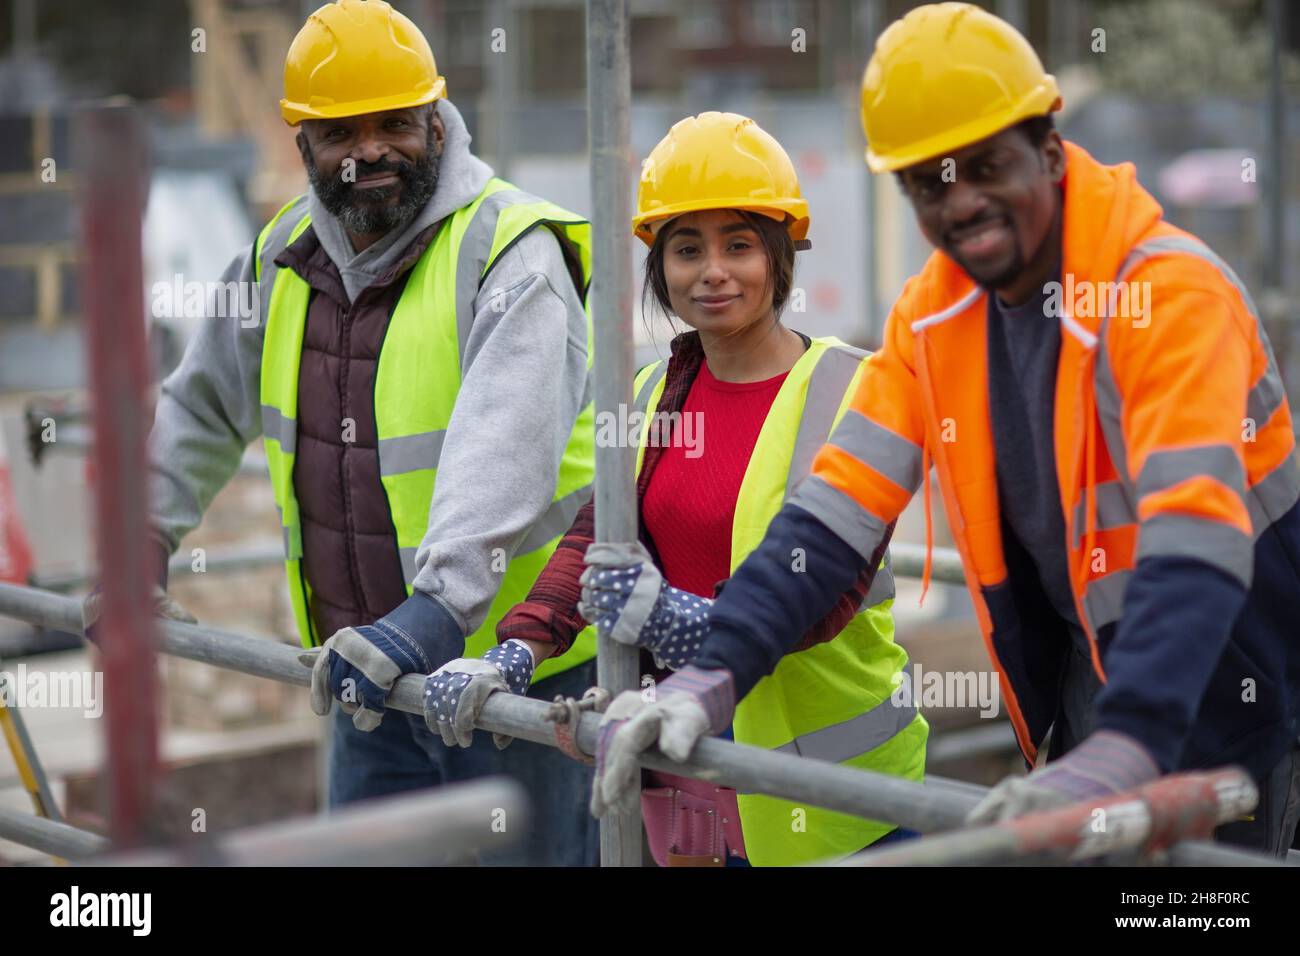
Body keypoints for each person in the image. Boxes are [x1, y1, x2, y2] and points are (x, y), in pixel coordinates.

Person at [587, 3, 1300, 857]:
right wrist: (713, 673)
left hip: (1230, 692)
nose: (961, 203)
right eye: (930, 182)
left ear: (1048, 148)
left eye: (987, 167)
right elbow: (833, 518)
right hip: (1082, 693)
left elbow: (1195, 531)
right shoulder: (937, 313)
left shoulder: (1166, 296)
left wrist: (1130, 743)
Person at [138, 0, 600, 865]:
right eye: (342, 133)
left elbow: (505, 447)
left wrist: (435, 614)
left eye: (396, 124)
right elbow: (199, 405)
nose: (372, 151)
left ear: (437, 118)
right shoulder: (279, 259)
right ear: (301, 142)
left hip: (515, 692)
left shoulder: (509, 252)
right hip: (367, 686)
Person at [421, 112, 927, 867]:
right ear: (659, 269)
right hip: (688, 789)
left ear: (781, 257)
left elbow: (826, 588)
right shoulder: (657, 389)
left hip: (827, 798)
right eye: (687, 248)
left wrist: (679, 619)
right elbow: (599, 535)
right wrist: (513, 653)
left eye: (739, 244)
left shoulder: (848, 387)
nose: (712, 271)